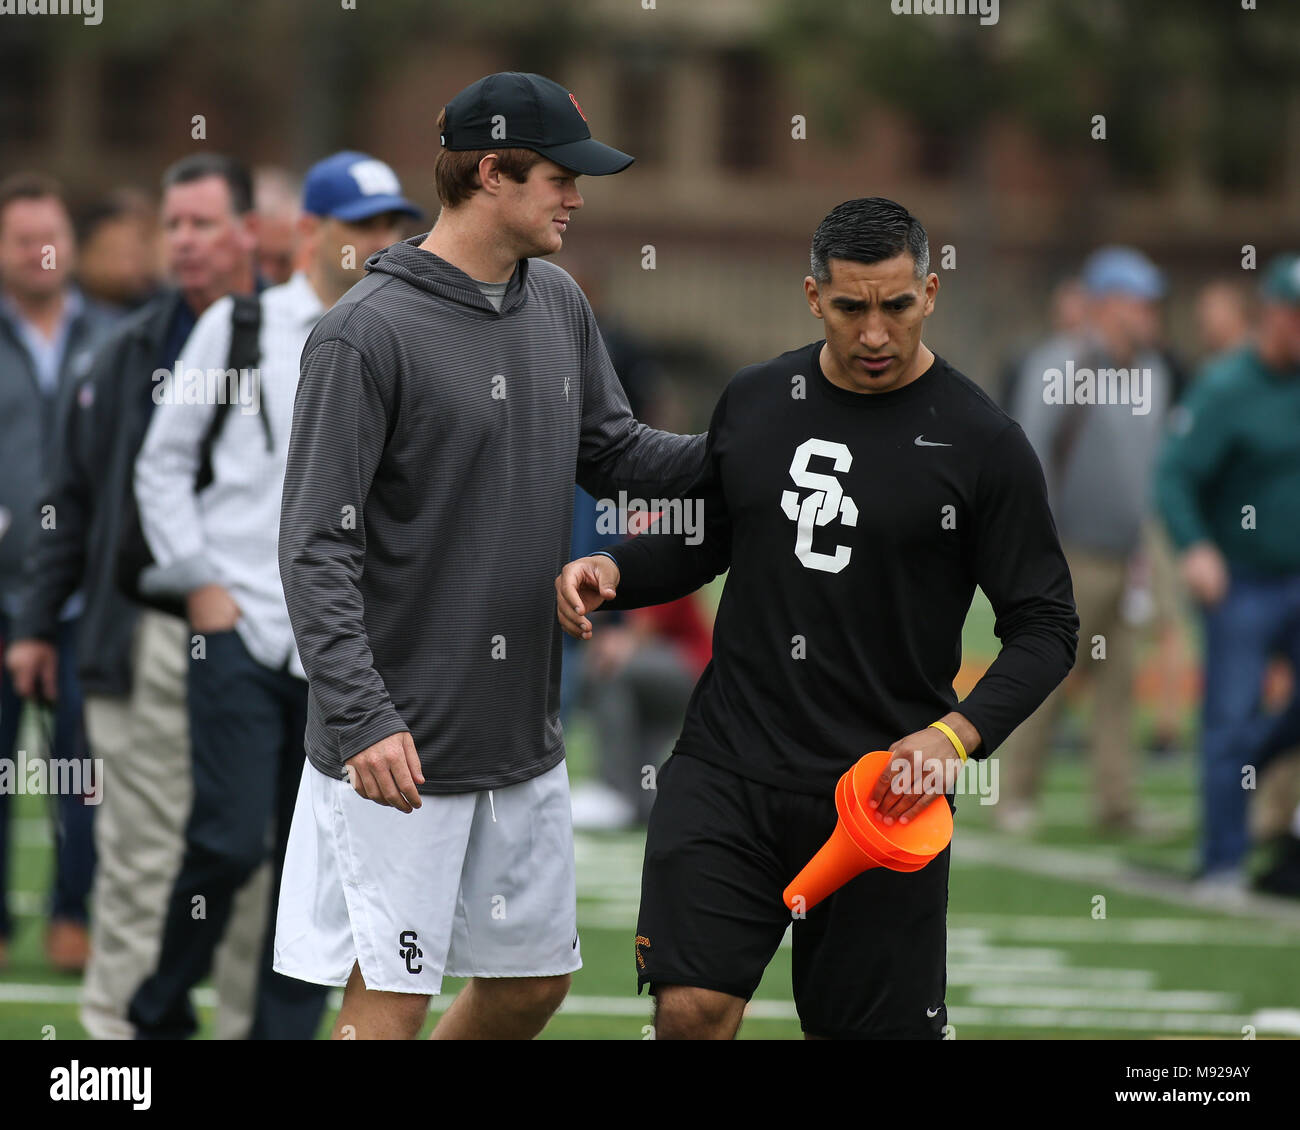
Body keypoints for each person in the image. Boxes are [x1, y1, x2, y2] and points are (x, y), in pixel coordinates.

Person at [556, 196, 1078, 1039]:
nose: (875, 333)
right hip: (731, 764)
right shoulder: (759, 398)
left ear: (931, 294)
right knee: (690, 1011)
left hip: (882, 790)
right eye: (850, 308)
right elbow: (712, 538)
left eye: (896, 306)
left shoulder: (984, 442)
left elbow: (1049, 623)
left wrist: (954, 738)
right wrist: (616, 568)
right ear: (812, 297)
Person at [272, 72, 705, 1041]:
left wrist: (744, 448)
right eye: (558, 175)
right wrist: (361, 714)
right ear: (489, 171)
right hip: (397, 742)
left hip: (521, 734)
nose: (577, 197)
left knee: (530, 985)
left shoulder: (554, 299)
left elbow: (619, 452)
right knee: (387, 1004)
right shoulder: (360, 334)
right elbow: (313, 548)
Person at [125, 151, 418, 1041]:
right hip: (244, 629)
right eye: (358, 226)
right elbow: (163, 463)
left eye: (387, 226)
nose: (376, 243)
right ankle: (160, 1002)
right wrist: (201, 584)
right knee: (228, 838)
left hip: (345, 651)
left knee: (320, 868)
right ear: (307, 233)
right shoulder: (239, 326)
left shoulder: (401, 329)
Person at [6, 154, 271, 1037]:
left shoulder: (305, 341)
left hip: (262, 641)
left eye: (205, 223)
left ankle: (239, 1029)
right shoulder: (120, 353)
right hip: (135, 636)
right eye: (175, 225)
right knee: (133, 866)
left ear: (248, 232)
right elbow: (69, 500)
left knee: (253, 864)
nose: (187, 242)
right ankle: (119, 1049)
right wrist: (39, 625)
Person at [1000, 247, 1173, 834]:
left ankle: (1116, 800)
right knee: (1047, 674)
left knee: (1120, 682)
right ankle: (1014, 795)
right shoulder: (1061, 365)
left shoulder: (1154, 371)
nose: (1150, 313)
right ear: (1105, 304)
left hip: (1128, 555)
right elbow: (1028, 459)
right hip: (1071, 551)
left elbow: (1151, 465)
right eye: (1138, 301)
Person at [0, 172, 119, 974]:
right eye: (20, 237)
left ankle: (73, 912)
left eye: (53, 236)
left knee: (86, 768)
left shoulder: (117, 336)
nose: (40, 251)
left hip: (86, 597)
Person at [1154, 255, 1300, 899]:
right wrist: (1196, 547)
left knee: (1261, 728)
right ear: (1273, 317)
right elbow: (1174, 475)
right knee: (1230, 718)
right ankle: (1223, 858)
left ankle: (1262, 788)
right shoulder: (1226, 387)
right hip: (1241, 577)